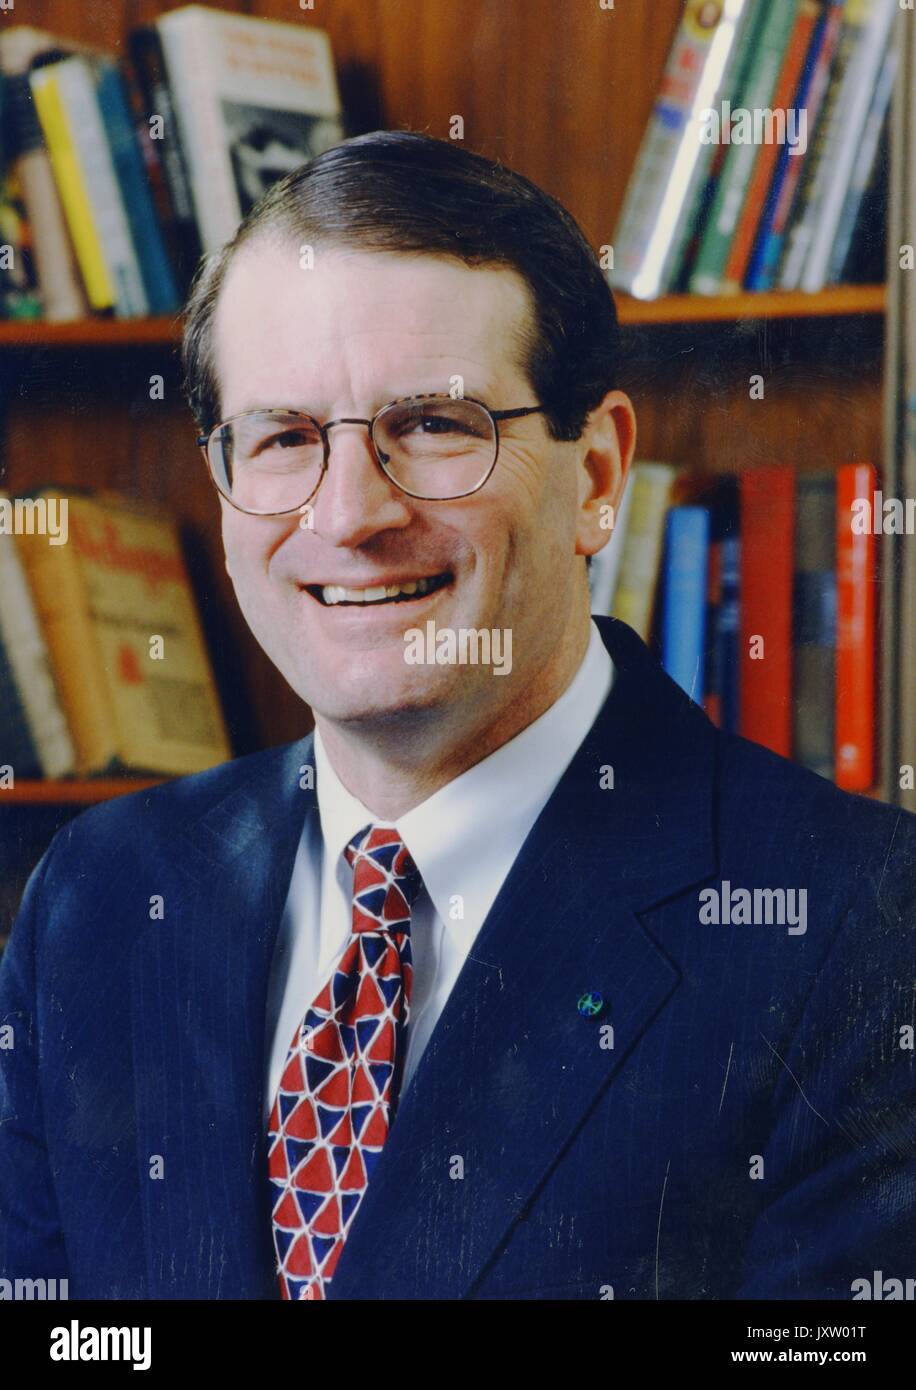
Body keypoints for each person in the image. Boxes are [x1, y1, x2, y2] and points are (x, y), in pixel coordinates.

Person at [1, 131, 914, 1302]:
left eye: (432, 426)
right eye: (283, 439)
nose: (348, 514)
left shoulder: (857, 935)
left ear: (593, 477)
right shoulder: (99, 895)